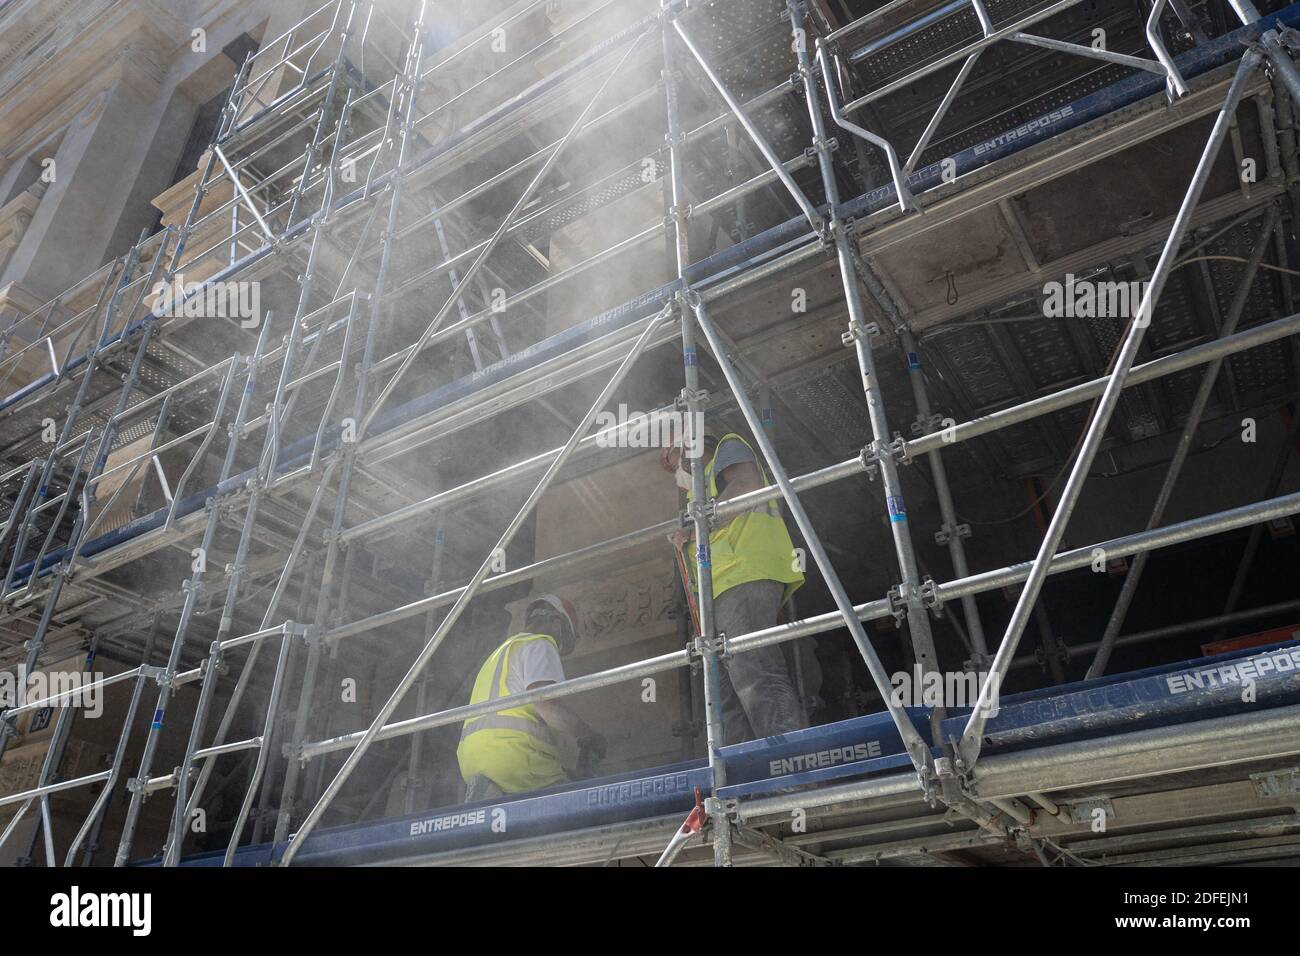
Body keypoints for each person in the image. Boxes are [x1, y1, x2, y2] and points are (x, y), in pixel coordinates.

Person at [661, 427, 808, 744]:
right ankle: (746, 777)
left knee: (755, 671)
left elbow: (746, 484)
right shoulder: (697, 495)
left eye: (676, 462)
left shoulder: (727, 448)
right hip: (724, 587)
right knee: (726, 688)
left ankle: (792, 768)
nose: (677, 474)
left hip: (746, 574)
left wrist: (699, 524)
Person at [457, 594, 606, 802]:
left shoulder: (500, 653)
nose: (559, 649)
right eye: (565, 639)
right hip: (515, 760)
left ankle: (494, 790)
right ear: (556, 623)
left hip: (473, 765)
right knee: (585, 801)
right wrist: (587, 734)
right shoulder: (540, 644)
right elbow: (548, 706)